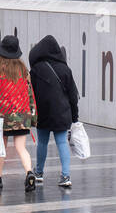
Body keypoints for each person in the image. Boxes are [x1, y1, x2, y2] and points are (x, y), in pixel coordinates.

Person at [0, 35, 37, 191]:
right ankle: (29, 173)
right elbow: (30, 94)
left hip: (3, 116)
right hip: (23, 116)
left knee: (1, 148)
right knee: (21, 148)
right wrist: (33, 117)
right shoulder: (24, 70)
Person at [29, 34, 79, 188]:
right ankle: (65, 176)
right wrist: (75, 117)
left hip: (43, 112)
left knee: (42, 142)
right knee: (62, 142)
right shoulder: (65, 69)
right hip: (61, 113)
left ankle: (39, 173)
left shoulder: (36, 69)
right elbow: (73, 96)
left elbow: (30, 93)